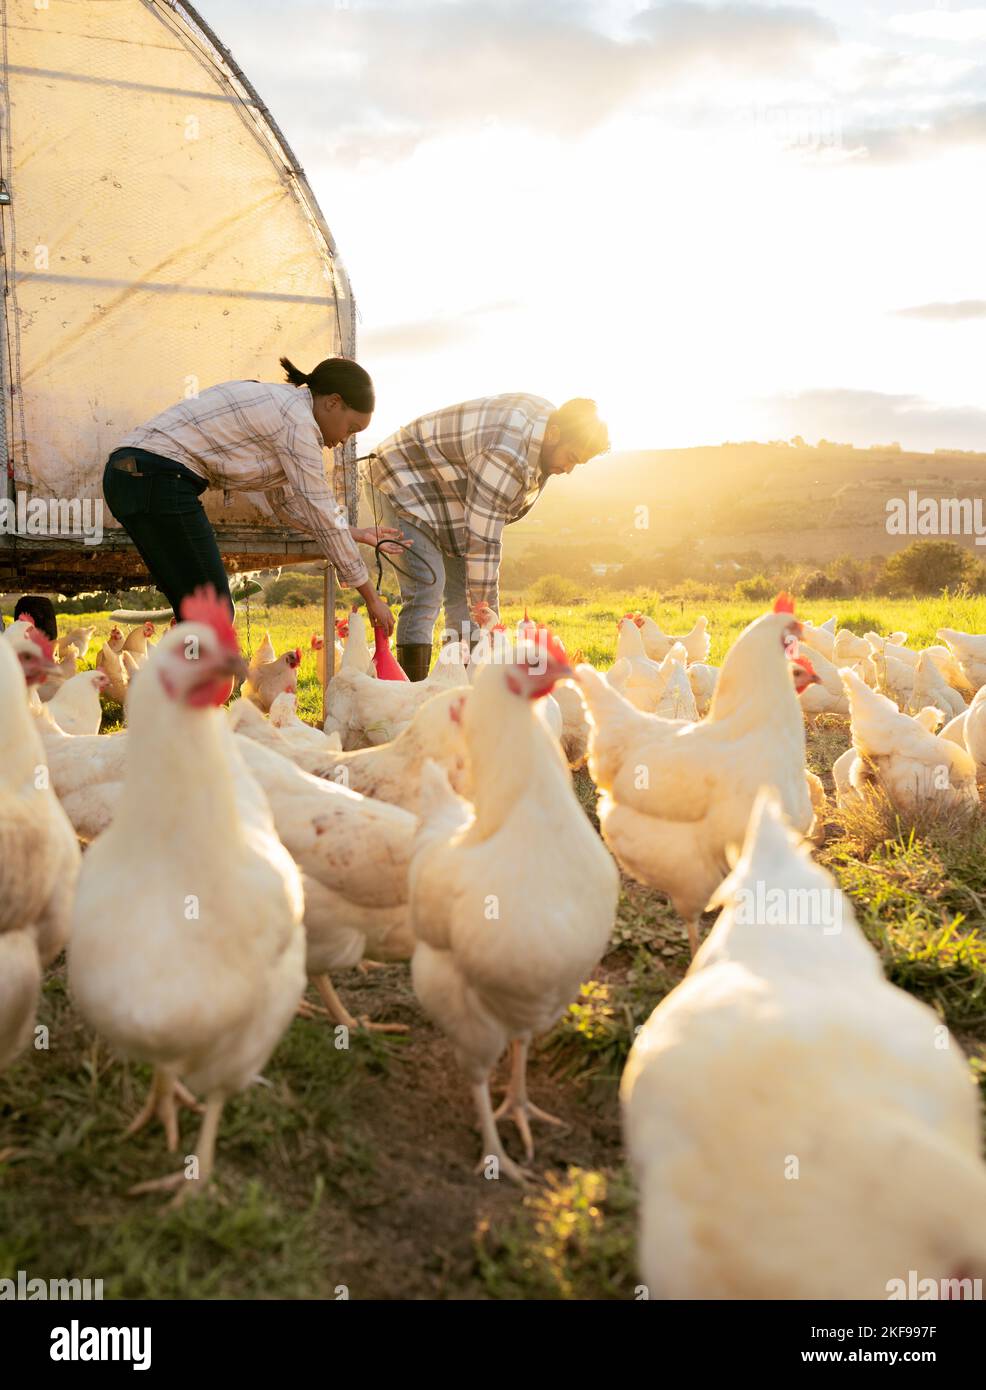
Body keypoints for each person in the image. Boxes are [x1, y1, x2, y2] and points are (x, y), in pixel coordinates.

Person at [102, 357, 402, 632]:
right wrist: (372, 598)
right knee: (213, 611)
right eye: (350, 428)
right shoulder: (297, 423)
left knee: (194, 611)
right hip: (156, 477)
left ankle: (171, 688)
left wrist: (356, 532)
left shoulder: (285, 411)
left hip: (130, 477)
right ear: (333, 402)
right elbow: (322, 512)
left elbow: (288, 505)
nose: (343, 441)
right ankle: (186, 688)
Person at [365, 394, 610, 679]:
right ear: (554, 434)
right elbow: (483, 540)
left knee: (463, 597)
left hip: (445, 500)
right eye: (570, 458)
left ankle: (460, 686)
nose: (568, 470)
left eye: (577, 464)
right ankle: (409, 698)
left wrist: (480, 611)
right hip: (399, 481)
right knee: (427, 589)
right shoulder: (507, 454)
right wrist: (490, 619)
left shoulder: (546, 427)